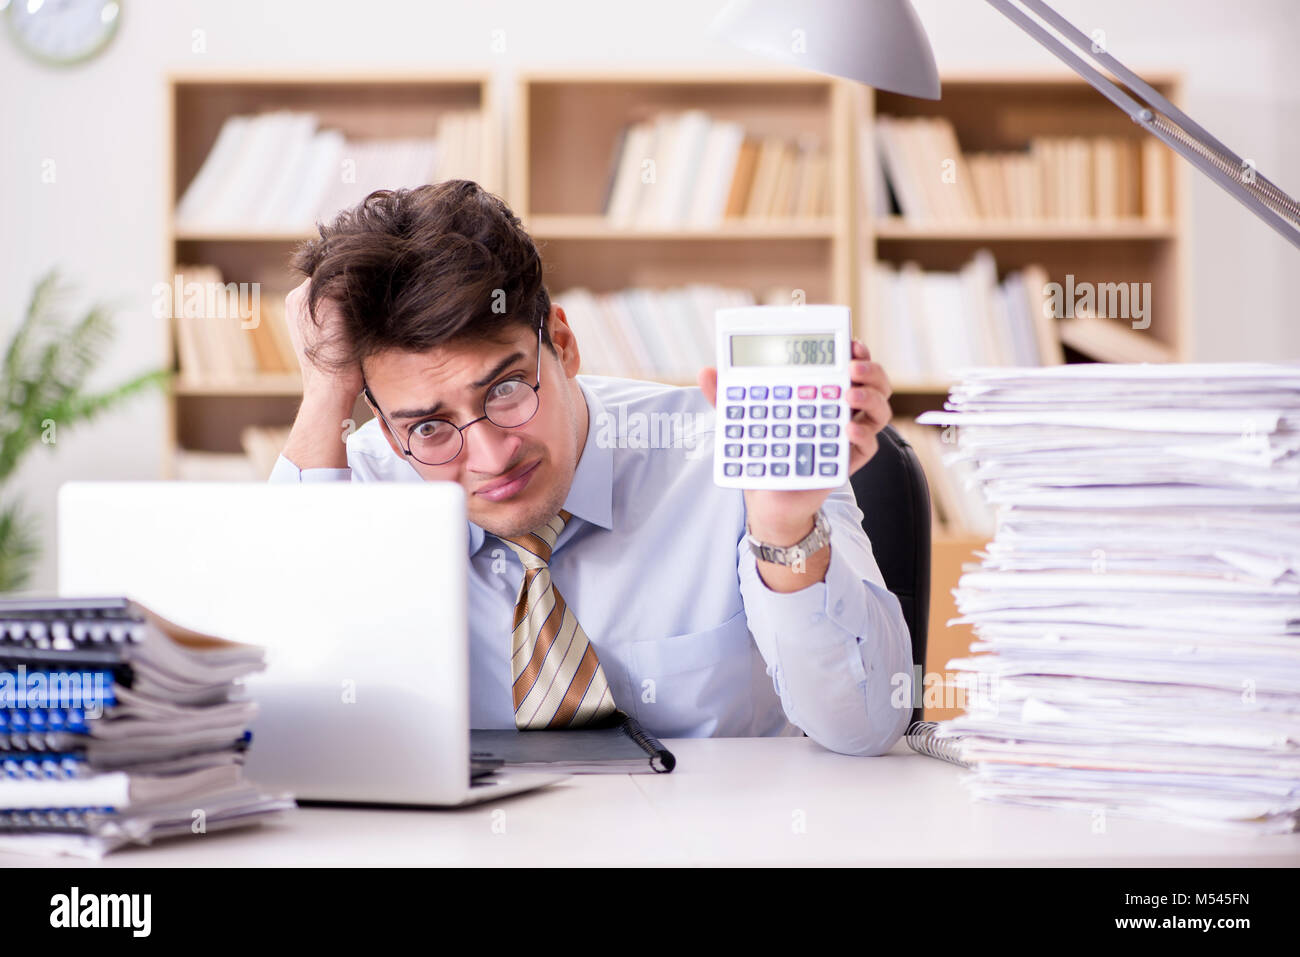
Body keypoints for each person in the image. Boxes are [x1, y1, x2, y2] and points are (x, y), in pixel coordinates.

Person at [269, 179, 913, 755]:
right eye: (430, 428)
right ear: (386, 427)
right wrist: (326, 395)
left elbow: (866, 726)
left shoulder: (739, 461)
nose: (491, 457)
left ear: (564, 343)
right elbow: (283, 725)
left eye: (508, 390)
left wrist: (783, 529)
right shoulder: (358, 494)